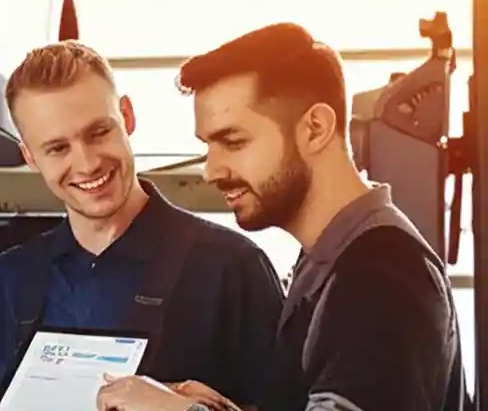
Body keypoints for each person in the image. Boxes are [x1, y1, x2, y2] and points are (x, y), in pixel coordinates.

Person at [96, 22, 470, 411]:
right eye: (209, 146)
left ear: (315, 128)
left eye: (234, 142)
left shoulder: (381, 277)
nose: (212, 170)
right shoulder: (329, 261)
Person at [0, 41, 285, 411]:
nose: (87, 164)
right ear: (30, 156)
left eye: (98, 133)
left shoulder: (231, 268)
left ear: (127, 116)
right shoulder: (10, 280)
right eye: (58, 148)